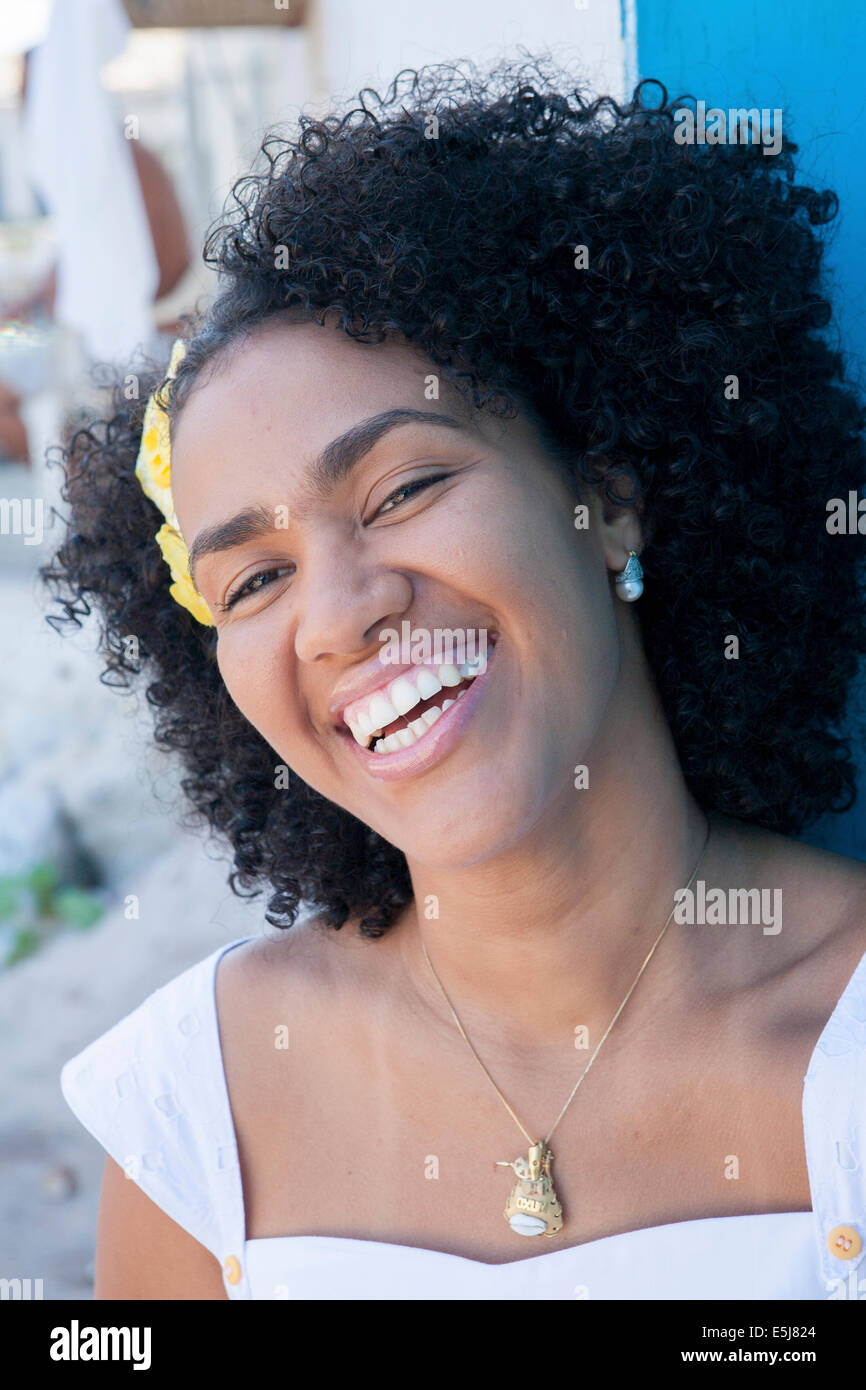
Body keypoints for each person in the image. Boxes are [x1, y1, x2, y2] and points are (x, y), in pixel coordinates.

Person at [43, 59, 866, 1301]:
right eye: (253, 581)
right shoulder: (193, 1117)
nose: (338, 615)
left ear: (608, 501)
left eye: (404, 490)